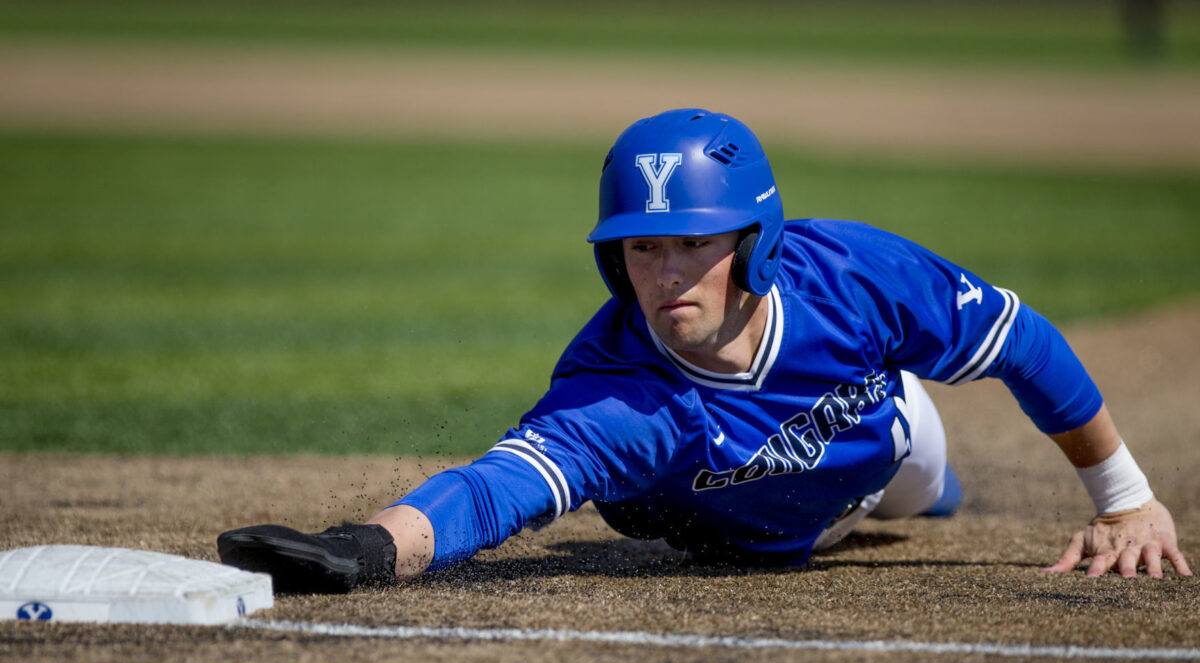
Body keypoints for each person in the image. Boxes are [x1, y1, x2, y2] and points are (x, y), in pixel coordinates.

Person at [217, 108, 1191, 593]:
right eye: (644, 245)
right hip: (706, 509)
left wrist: (1127, 500)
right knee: (688, 517)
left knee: (930, 489)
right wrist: (368, 546)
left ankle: (931, 489)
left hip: (881, 439)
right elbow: (492, 487)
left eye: (696, 241)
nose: (667, 270)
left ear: (755, 242)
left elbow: (1024, 343)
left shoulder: (856, 275)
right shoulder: (621, 396)